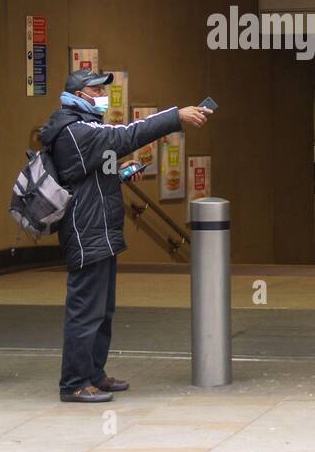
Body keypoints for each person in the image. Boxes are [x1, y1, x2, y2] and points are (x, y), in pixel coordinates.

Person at [37, 69, 211, 403]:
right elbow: (126, 135)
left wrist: (120, 174)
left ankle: (94, 374)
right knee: (85, 310)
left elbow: (96, 168)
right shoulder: (75, 130)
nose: (101, 95)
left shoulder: (87, 128)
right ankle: (73, 382)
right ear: (78, 94)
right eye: (95, 90)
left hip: (101, 227)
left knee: (102, 310)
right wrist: (177, 115)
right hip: (86, 229)